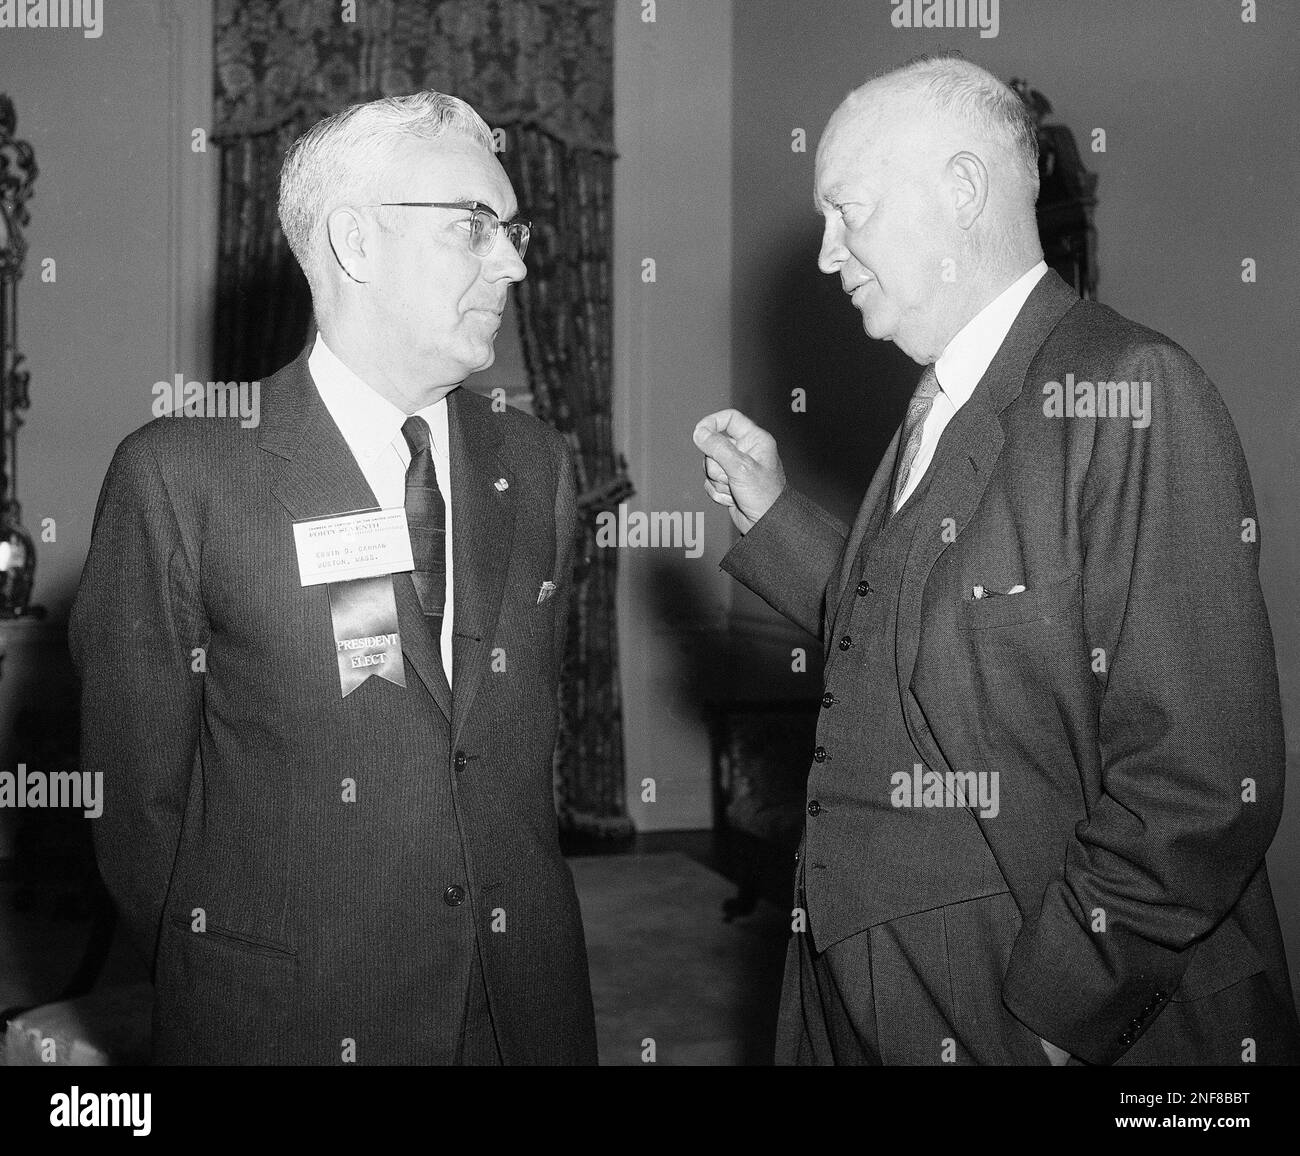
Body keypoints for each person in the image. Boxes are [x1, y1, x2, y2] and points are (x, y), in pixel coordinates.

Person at [694, 55, 1299, 1066]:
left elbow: (1202, 777)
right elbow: (910, 636)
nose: (828, 253)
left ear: (963, 189)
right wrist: (772, 514)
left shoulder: (1131, 389)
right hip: (860, 973)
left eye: (847, 210)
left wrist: (1061, 1013)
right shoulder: (944, 400)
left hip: (1017, 993)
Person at [70, 91, 596, 1065]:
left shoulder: (536, 464)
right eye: (474, 225)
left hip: (522, 1009)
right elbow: (135, 805)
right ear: (355, 243)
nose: (515, 263)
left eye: (514, 230)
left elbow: (504, 747)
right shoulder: (182, 475)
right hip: (288, 1018)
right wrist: (221, 969)